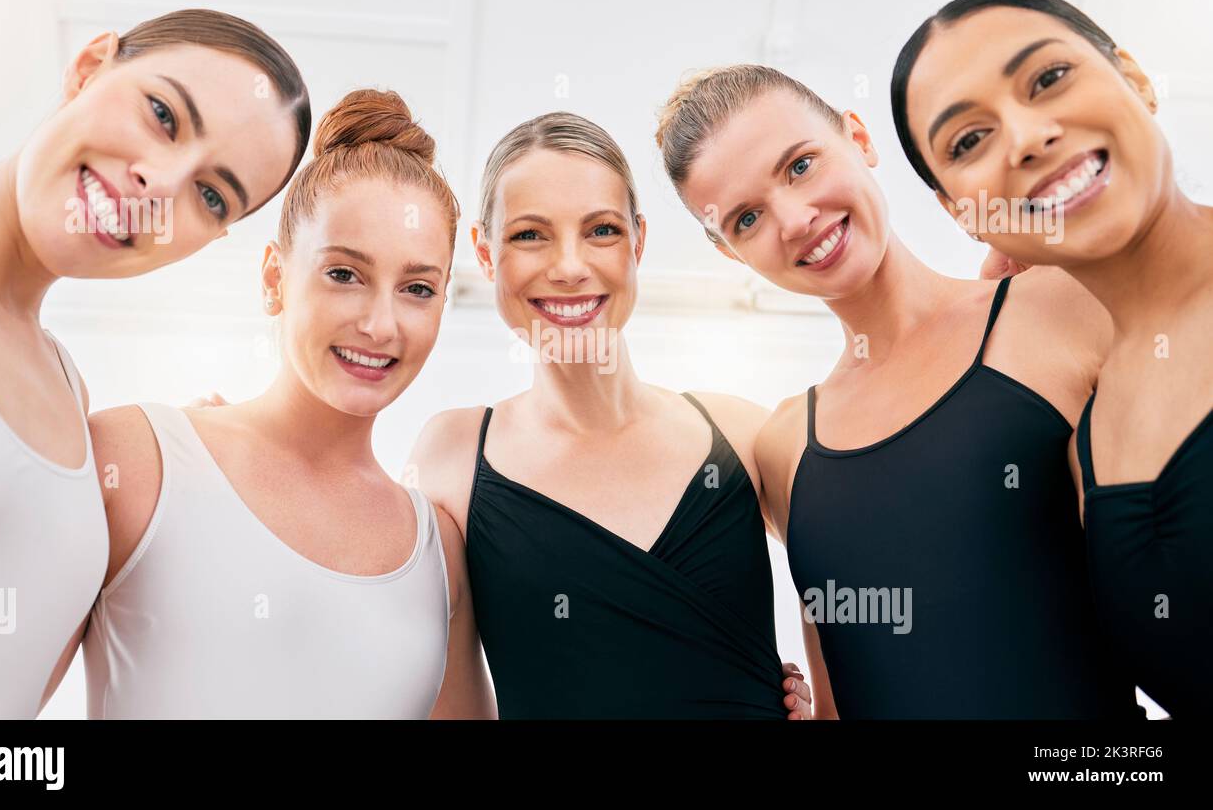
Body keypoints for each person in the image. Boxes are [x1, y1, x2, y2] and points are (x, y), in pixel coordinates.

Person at [657, 63, 1138, 718]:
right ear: (730, 252)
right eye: (746, 218)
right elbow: (839, 699)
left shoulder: (1056, 304)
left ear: (859, 138)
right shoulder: (786, 445)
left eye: (800, 166)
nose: (795, 219)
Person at [0, 8, 310, 719]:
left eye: (212, 194)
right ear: (91, 65)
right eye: (163, 114)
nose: (159, 185)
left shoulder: (71, 394)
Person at [82, 89, 495, 718]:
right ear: (275, 278)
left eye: (417, 288)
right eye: (344, 274)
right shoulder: (136, 458)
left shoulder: (438, 554)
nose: (381, 325)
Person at [407, 112, 811, 719]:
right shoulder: (453, 455)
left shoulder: (742, 434)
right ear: (485, 254)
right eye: (529, 235)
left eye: (600, 230)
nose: (569, 267)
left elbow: (886, 560)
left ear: (638, 242)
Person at [891, 0, 1213, 717]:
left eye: (1047, 79)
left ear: (1134, 79)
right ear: (961, 211)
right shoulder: (1086, 442)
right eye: (968, 142)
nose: (1028, 137)